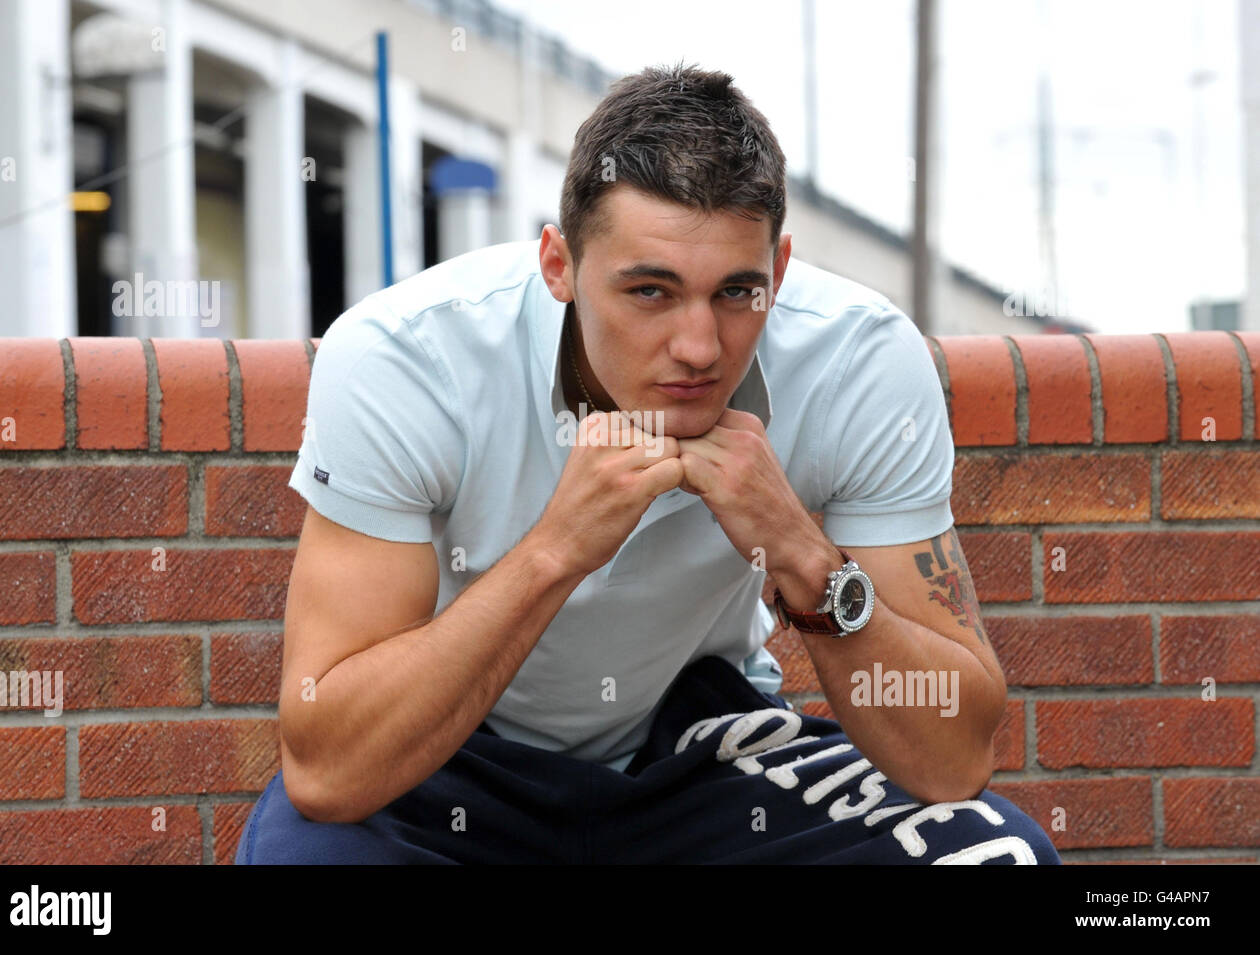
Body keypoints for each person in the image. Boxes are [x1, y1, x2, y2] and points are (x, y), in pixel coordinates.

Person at [236, 62, 1061, 865]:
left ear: (777, 270)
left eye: (737, 292)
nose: (699, 347)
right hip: (450, 759)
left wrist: (804, 557)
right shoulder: (408, 358)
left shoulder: (860, 357)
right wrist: (555, 551)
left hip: (707, 753)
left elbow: (952, 759)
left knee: (994, 854)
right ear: (559, 264)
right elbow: (327, 768)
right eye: (650, 292)